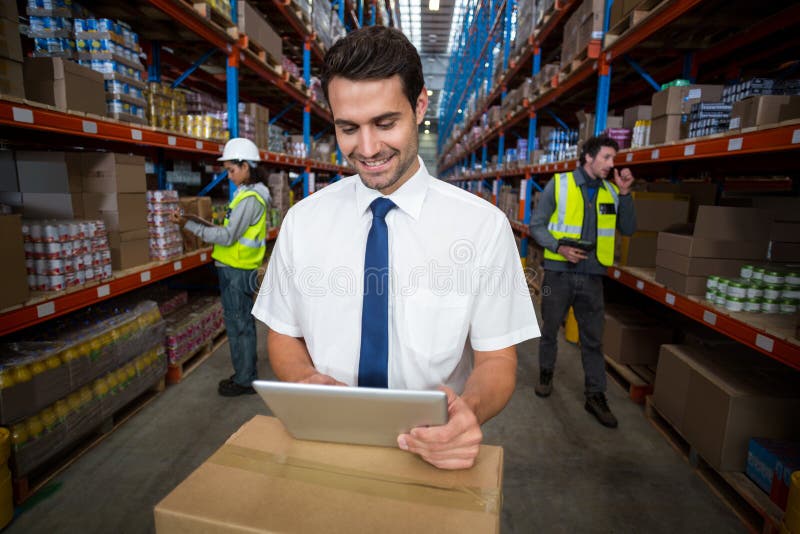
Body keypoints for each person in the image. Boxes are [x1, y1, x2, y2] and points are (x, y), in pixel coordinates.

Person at [251, 26, 539, 470]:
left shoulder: (482, 228)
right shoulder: (302, 222)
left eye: (385, 123)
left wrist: (469, 410)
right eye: (348, 128)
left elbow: (497, 357)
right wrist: (305, 379)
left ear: (420, 105)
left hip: (432, 451)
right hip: (324, 443)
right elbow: (283, 333)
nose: (367, 149)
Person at [529, 134, 636, 428]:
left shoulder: (612, 192)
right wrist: (558, 247)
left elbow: (628, 228)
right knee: (549, 329)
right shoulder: (560, 184)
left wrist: (625, 194)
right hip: (559, 273)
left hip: (592, 278)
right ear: (588, 157)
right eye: (606, 158)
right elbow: (536, 225)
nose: (612, 165)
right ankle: (546, 374)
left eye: (614, 159)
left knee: (593, 340)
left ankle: (595, 395)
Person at [171, 137, 272, 397]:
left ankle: (245, 379)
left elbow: (228, 237)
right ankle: (244, 374)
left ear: (246, 167)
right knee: (241, 323)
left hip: (237, 270)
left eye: (231, 170)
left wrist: (189, 226)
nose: (228, 176)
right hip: (236, 267)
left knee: (239, 324)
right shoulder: (246, 195)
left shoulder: (250, 199)